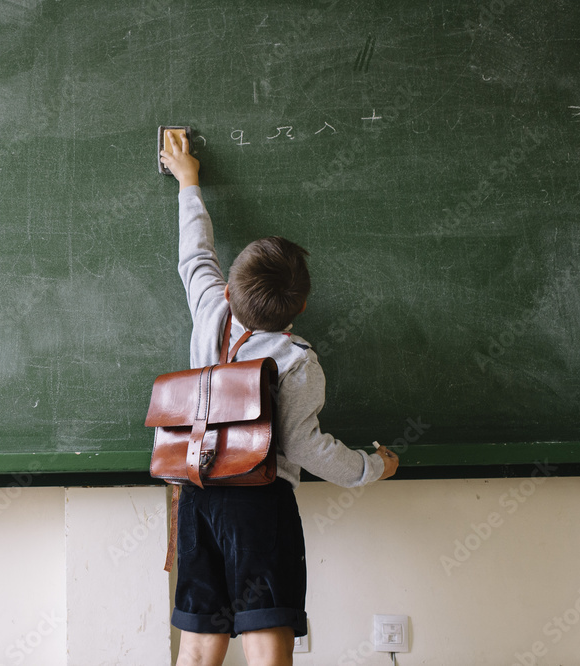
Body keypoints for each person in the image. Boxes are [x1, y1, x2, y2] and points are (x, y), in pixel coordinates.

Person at [158, 133, 399, 666]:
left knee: (198, 646)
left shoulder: (209, 313)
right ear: (303, 306)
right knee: (268, 642)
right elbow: (305, 446)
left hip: (195, 497)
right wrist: (370, 468)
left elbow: (194, 255)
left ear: (227, 291)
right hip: (259, 507)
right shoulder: (296, 360)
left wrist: (189, 180)